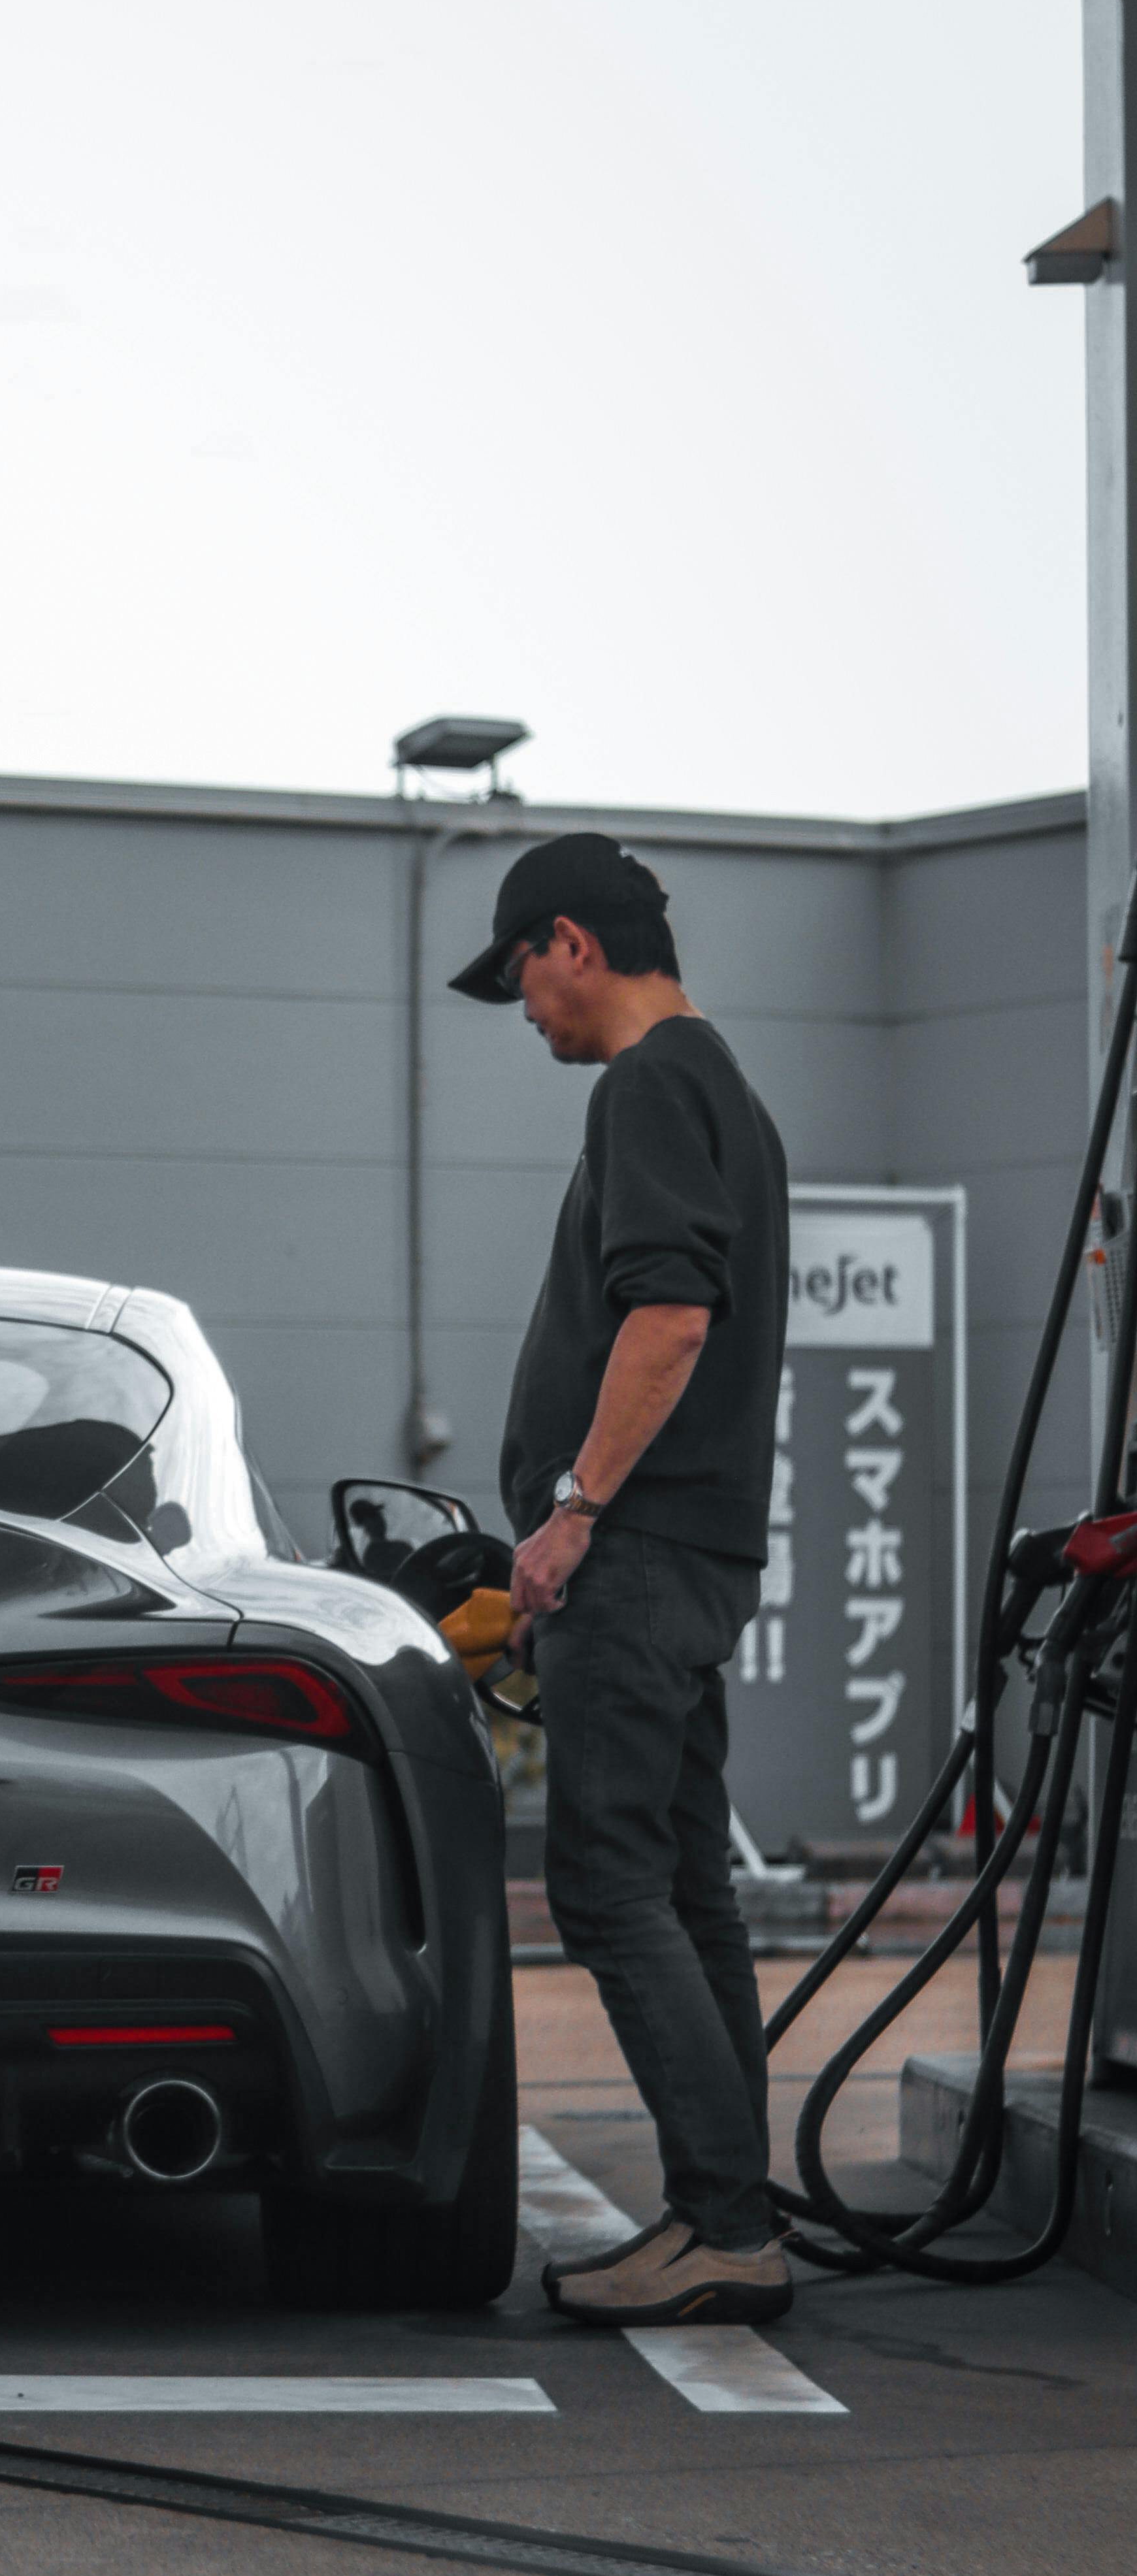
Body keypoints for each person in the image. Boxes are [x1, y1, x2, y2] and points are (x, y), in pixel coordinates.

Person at [448, 834, 792, 2325]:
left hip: (640, 1559)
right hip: (698, 1552)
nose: (522, 1010)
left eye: (518, 975)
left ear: (569, 942)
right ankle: (724, 2216)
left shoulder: (650, 1087)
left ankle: (721, 2221)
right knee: (682, 1885)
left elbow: (667, 1315)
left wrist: (571, 1512)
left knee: (600, 1878)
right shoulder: (730, 1092)